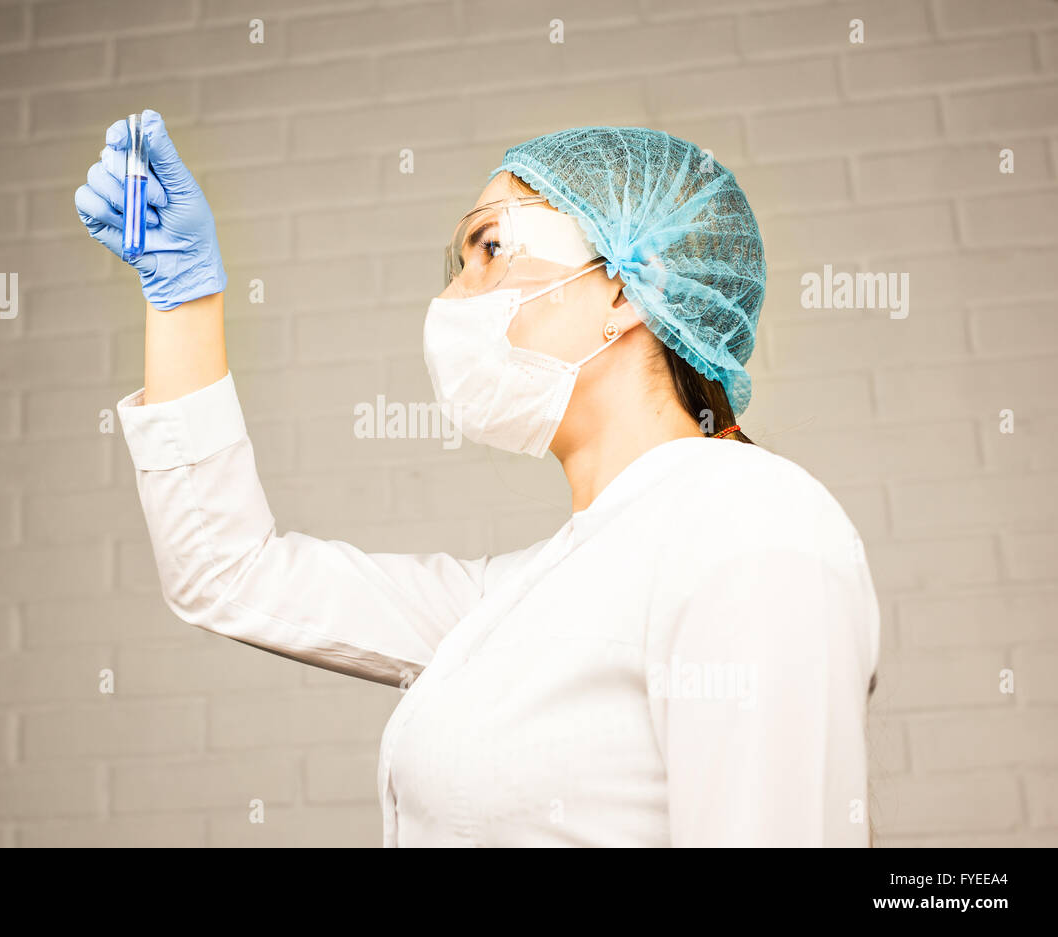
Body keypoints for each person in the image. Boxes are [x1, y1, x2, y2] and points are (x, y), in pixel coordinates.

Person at [76, 113, 881, 847]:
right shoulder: (528, 593)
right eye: (459, 259)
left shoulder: (749, 525)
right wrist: (182, 296)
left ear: (632, 290)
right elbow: (229, 574)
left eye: (493, 247)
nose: (455, 294)